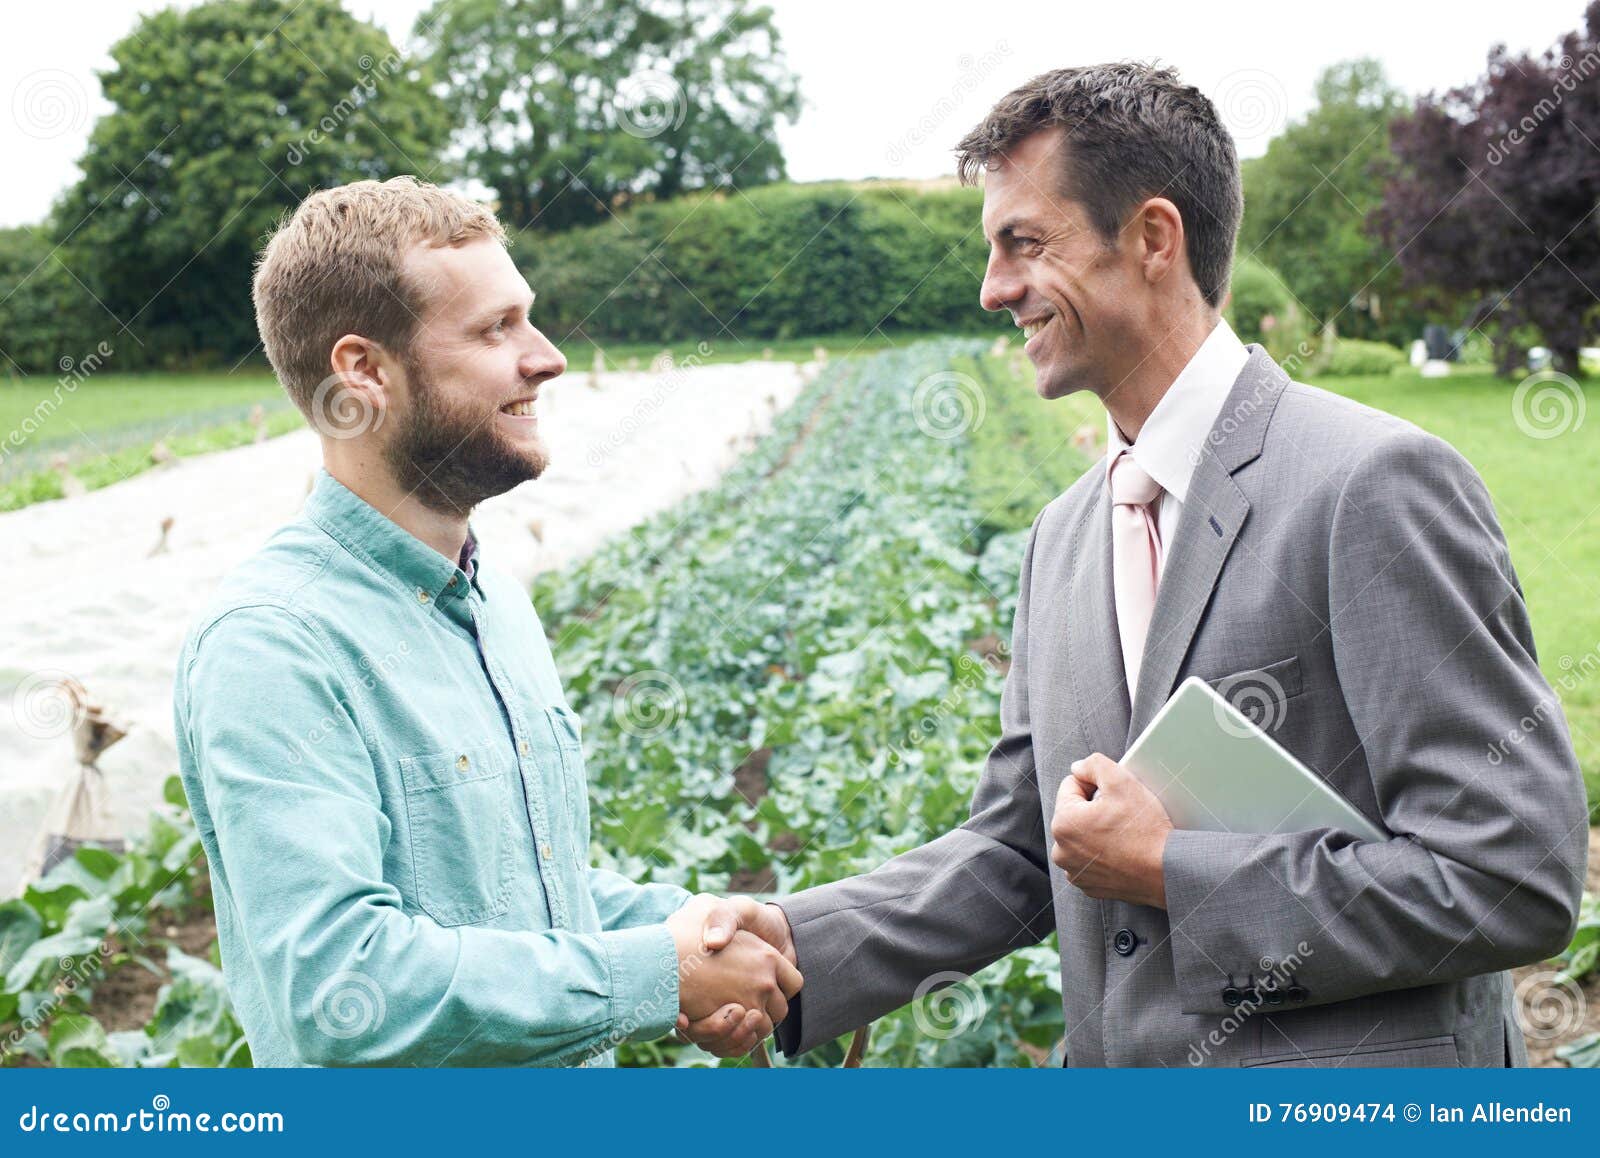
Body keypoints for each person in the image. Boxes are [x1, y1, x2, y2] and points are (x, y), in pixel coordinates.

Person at [684, 63, 1589, 1067]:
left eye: (1022, 244)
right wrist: (792, 946)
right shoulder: (1062, 537)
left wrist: (1169, 868)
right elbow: (1024, 852)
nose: (993, 289)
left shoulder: (1372, 486)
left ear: (1153, 239)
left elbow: (1510, 873)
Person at [174, 177, 798, 1067]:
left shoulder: (494, 597)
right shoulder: (272, 644)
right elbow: (342, 988)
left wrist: (695, 931)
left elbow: (523, 898)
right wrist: (651, 976)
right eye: (495, 328)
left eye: (528, 320)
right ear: (363, 372)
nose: (546, 357)